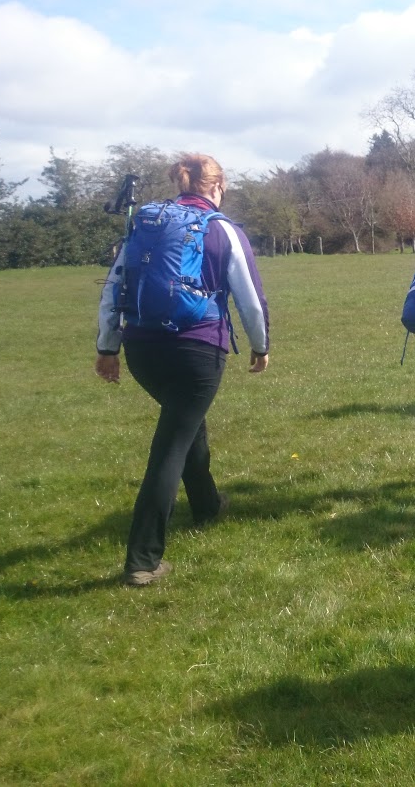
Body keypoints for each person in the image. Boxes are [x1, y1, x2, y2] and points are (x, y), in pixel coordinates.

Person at [94, 153, 271, 587]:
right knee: (170, 446)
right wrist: (261, 346)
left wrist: (107, 347)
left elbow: (115, 286)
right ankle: (143, 558)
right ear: (217, 185)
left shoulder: (147, 225)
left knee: (187, 422)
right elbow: (248, 299)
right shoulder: (222, 229)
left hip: (142, 351)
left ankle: (207, 504)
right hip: (197, 350)